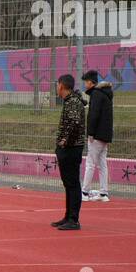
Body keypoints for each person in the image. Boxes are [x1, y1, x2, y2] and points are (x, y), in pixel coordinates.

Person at [51, 74, 86, 231]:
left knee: (72, 183)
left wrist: (65, 142)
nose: (56, 88)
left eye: (57, 85)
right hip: (68, 148)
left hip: (71, 149)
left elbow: (74, 123)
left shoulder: (73, 102)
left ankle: (73, 219)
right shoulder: (70, 101)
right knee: (68, 183)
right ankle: (68, 216)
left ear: (62, 86)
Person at [81, 70, 113, 203]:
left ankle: (84, 192)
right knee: (102, 164)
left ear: (90, 82)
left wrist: (91, 133)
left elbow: (93, 115)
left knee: (90, 163)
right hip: (105, 135)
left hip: (97, 135)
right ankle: (103, 193)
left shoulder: (96, 95)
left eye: (85, 82)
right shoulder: (105, 94)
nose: (84, 85)